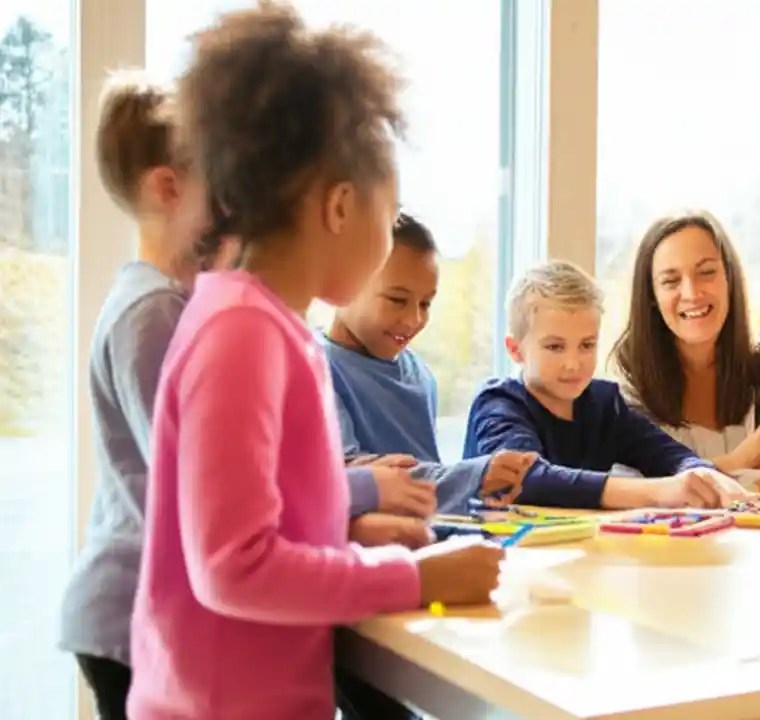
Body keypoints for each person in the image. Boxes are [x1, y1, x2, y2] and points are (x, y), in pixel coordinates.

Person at [127, 6, 503, 718]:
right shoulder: (241, 334)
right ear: (339, 206)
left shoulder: (266, 326)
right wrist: (413, 578)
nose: (385, 239)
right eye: (387, 218)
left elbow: (260, 521)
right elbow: (233, 569)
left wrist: (344, 537)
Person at [57, 71, 208, 720]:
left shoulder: (167, 304)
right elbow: (194, 475)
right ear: (168, 188)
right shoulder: (149, 313)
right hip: (126, 612)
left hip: (140, 608)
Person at [465, 260, 746, 509]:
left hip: (573, 554)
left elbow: (664, 452)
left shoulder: (604, 403)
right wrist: (656, 492)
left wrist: (700, 473)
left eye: (586, 345)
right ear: (515, 350)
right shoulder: (498, 404)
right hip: (498, 557)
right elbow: (529, 481)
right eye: (554, 347)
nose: (573, 363)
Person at [323, 211, 534, 515]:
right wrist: (471, 476)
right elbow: (350, 478)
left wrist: (482, 480)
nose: (414, 319)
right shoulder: (319, 369)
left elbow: (420, 473)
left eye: (425, 303)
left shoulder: (420, 375)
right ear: (346, 283)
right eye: (397, 299)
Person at [611, 210, 760, 489]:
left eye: (706, 272)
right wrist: (758, 444)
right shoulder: (624, 387)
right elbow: (645, 490)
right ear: (651, 296)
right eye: (670, 281)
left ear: (729, 278)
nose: (691, 293)